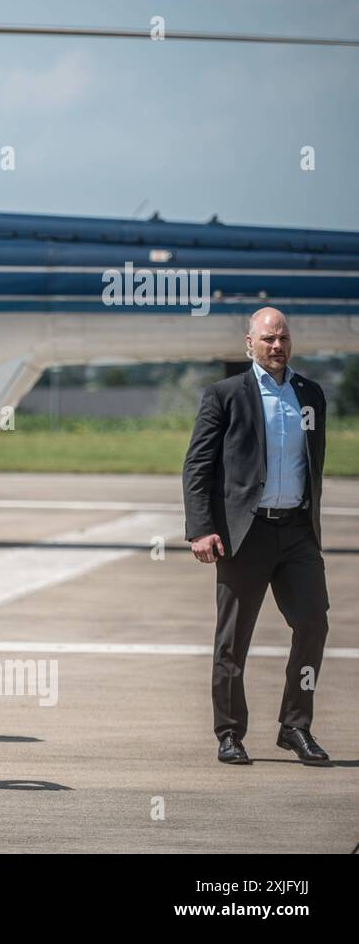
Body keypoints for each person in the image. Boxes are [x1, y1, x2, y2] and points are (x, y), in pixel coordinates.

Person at [182, 307, 331, 766]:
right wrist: (201, 528)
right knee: (233, 641)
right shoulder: (225, 395)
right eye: (268, 338)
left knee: (313, 624)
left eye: (283, 338)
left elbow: (312, 460)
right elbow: (198, 466)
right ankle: (229, 733)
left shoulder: (310, 395)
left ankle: (295, 726)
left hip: (297, 532)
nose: (277, 346)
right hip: (245, 533)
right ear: (249, 343)